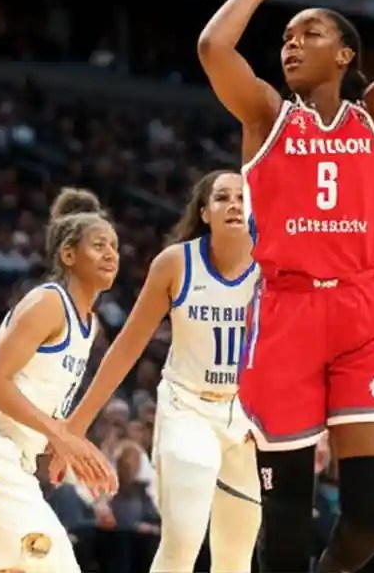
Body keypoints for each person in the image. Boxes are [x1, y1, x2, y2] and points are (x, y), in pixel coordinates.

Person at [197, 0, 374, 572]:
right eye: (287, 37)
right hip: (288, 316)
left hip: (366, 315)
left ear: (345, 55)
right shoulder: (268, 116)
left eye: (310, 33)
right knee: (289, 532)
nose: (290, 44)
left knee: (367, 522)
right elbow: (215, 48)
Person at [55, 170, 262, 571]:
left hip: (248, 416)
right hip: (189, 409)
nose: (234, 203)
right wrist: (75, 426)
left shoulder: (275, 264)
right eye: (222, 197)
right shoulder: (176, 264)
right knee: (183, 541)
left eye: (242, 196)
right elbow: (126, 348)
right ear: (205, 212)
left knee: (236, 559)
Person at [0, 187, 119, 573]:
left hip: (4, 462)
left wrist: (60, 442)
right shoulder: (48, 303)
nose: (110, 254)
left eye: (115, 247)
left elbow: (43, 394)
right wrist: (60, 434)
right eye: (98, 245)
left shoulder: (89, 326)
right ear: (68, 255)